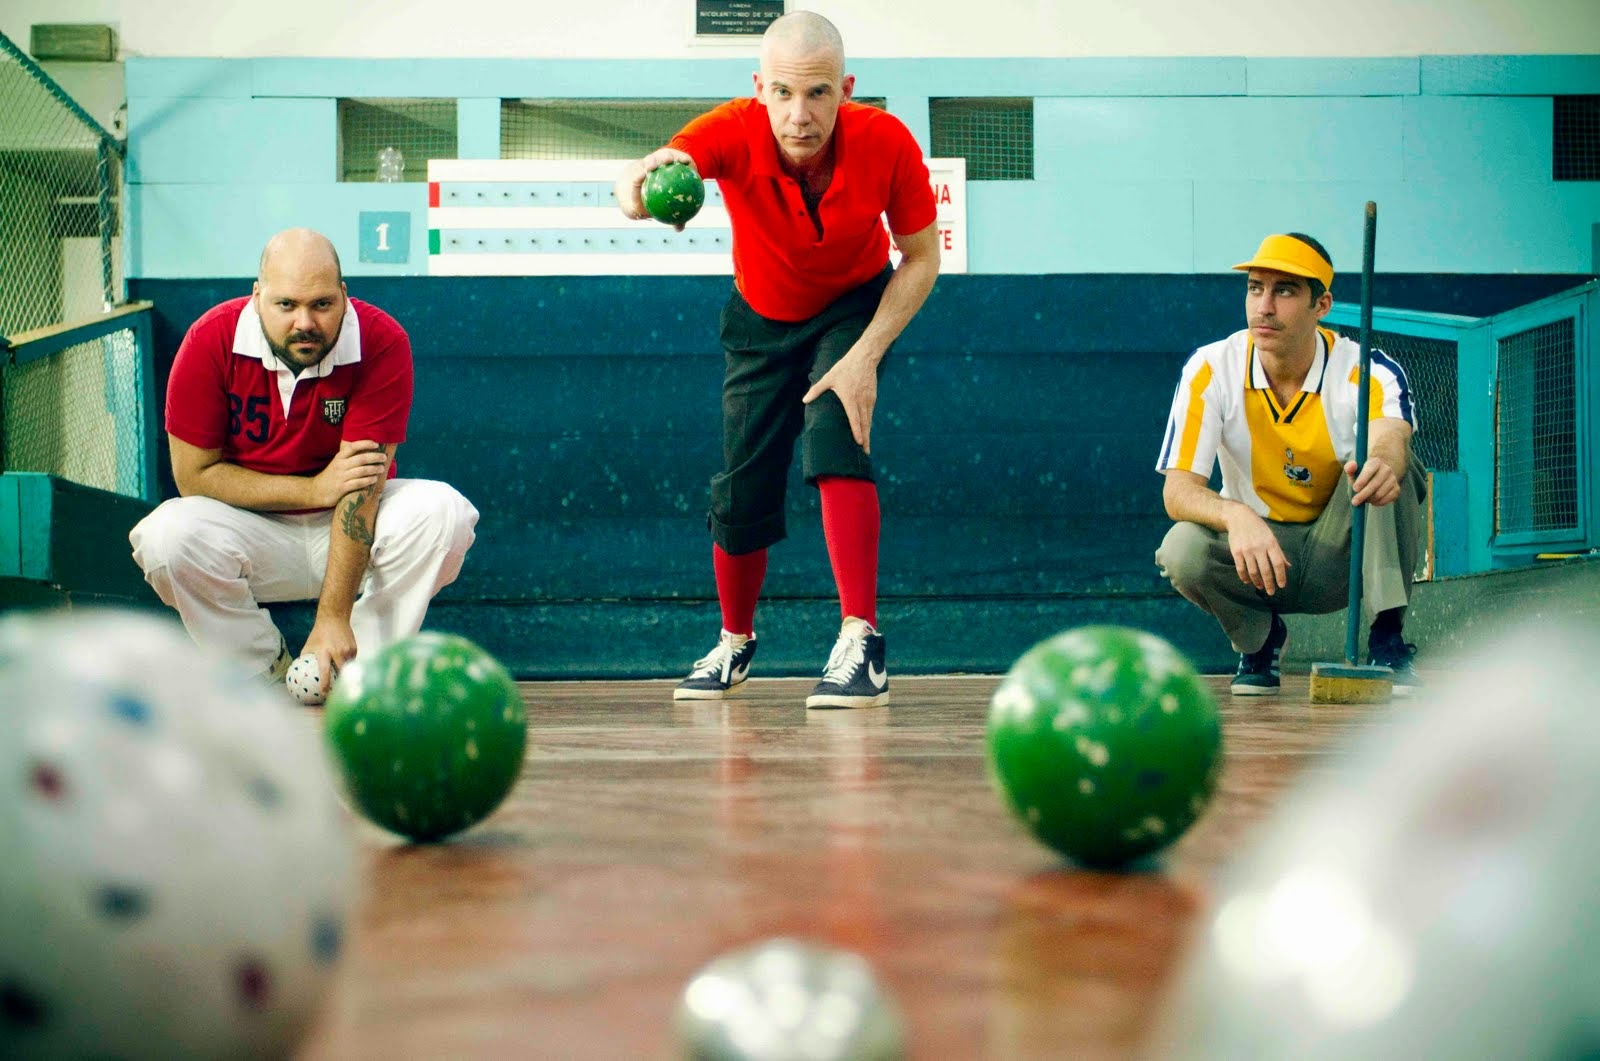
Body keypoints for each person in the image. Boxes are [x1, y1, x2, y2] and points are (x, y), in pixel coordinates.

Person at [614, 11, 940, 708]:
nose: (800, 115)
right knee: (740, 486)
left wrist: (866, 354)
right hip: (758, 319)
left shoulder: (886, 143)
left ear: (845, 89)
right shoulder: (729, 130)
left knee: (833, 430)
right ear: (759, 89)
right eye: (784, 94)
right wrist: (638, 187)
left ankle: (862, 641)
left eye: (818, 93)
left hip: (853, 304)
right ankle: (735, 641)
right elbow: (648, 180)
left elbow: (920, 257)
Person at [129, 228, 478, 696]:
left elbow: (361, 490)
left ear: (344, 297)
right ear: (257, 297)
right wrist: (313, 490)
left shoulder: (381, 339)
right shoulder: (209, 339)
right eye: (286, 305)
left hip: (355, 524)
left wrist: (332, 617)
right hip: (257, 531)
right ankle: (260, 672)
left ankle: (361, 675)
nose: (305, 322)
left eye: (321, 304)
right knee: (166, 537)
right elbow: (193, 477)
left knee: (444, 514)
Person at [1154, 232, 1426, 695]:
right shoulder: (1210, 368)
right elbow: (1177, 491)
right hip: (1259, 556)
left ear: (1322, 305)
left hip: (1341, 554)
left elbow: (1391, 440)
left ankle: (1387, 636)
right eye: (1255, 288)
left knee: (1389, 473)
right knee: (1181, 548)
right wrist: (1235, 515)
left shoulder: (1368, 369)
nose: (1264, 306)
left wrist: (1383, 461)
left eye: (1284, 291)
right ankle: (1259, 641)